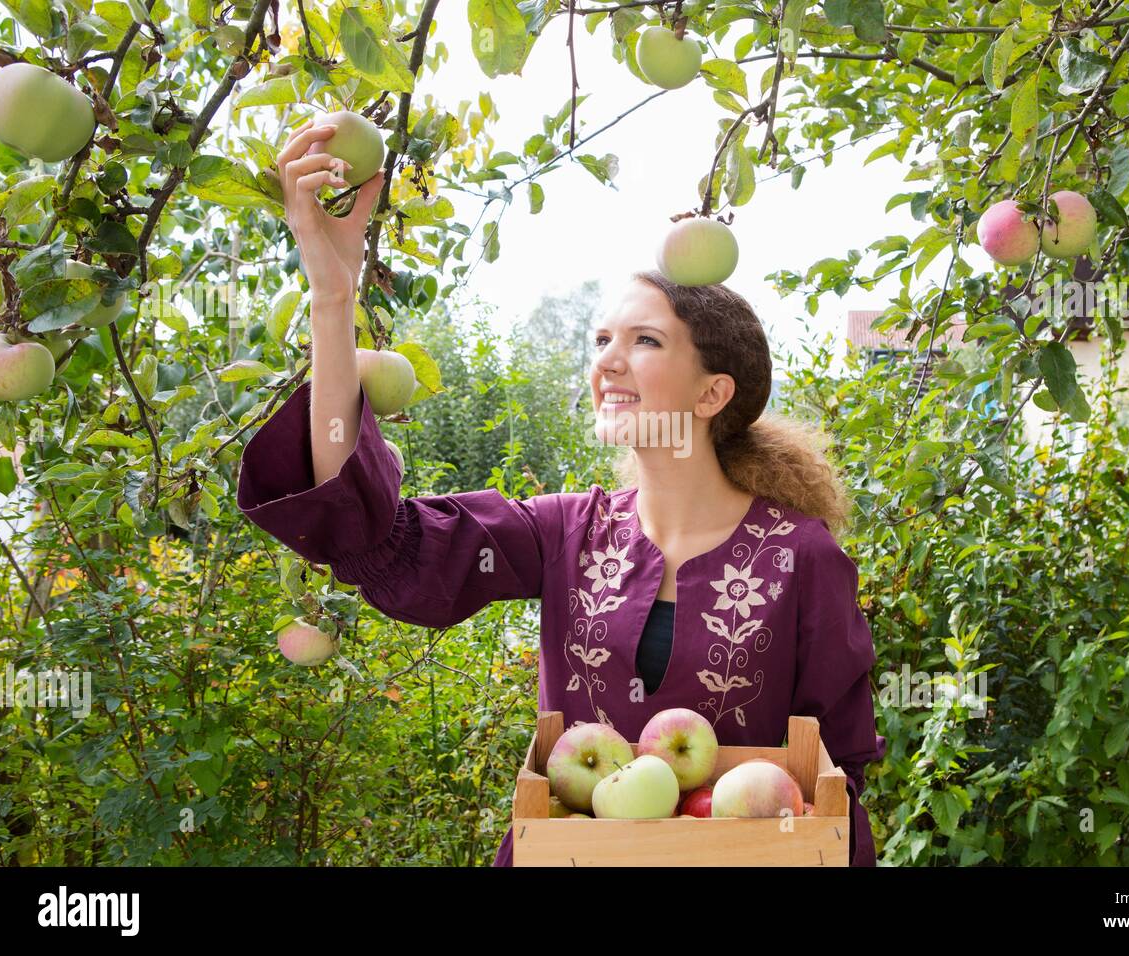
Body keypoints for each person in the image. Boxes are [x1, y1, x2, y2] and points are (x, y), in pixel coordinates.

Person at [236, 119, 886, 867]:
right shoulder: (563, 534)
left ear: (713, 393)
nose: (609, 361)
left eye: (644, 341)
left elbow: (835, 785)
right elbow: (374, 537)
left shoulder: (803, 558)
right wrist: (332, 292)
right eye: (600, 339)